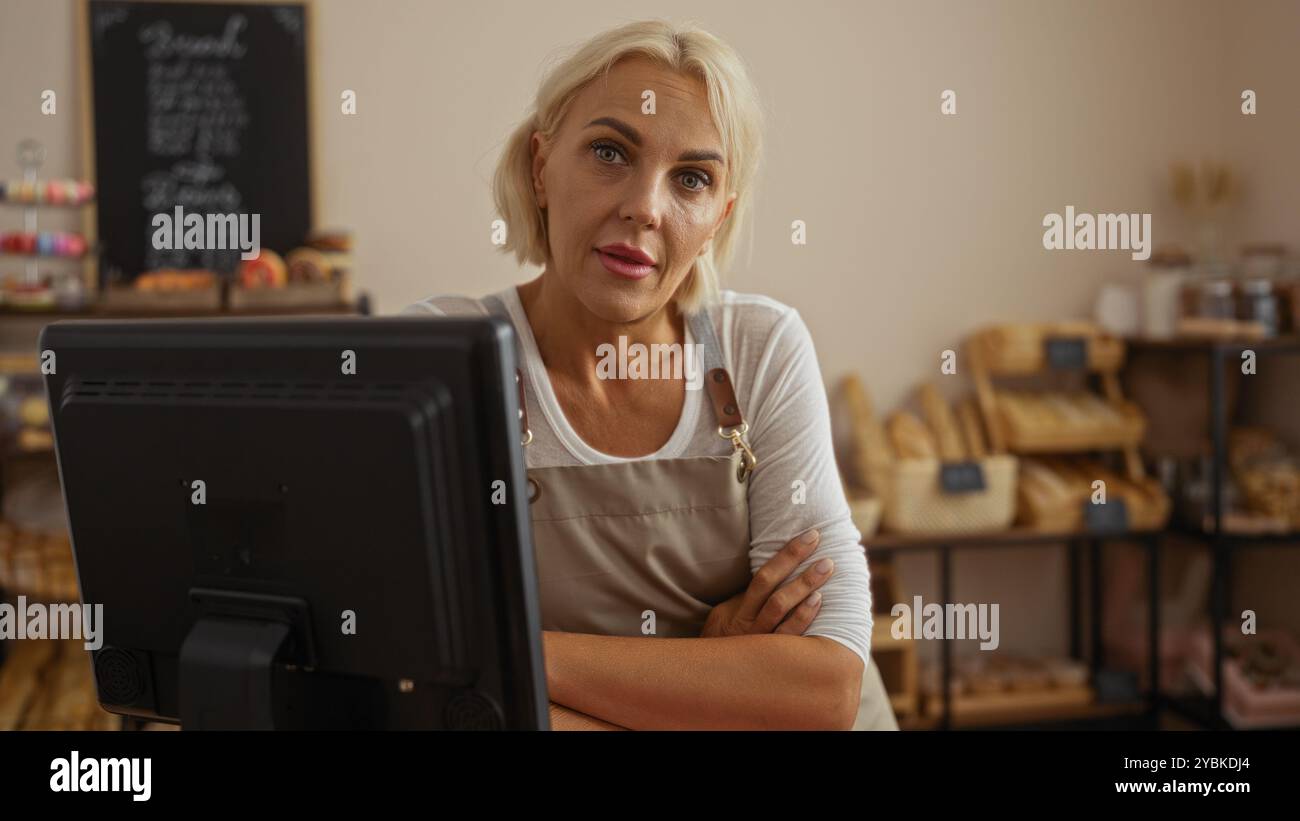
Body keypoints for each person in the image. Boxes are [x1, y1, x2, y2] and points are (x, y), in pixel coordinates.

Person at [407, 19, 896, 730]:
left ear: (717, 217)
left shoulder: (758, 349)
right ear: (542, 167)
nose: (646, 206)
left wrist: (515, 657)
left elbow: (822, 693)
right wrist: (710, 677)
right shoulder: (448, 355)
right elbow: (417, 680)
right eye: (610, 152)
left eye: (691, 178)